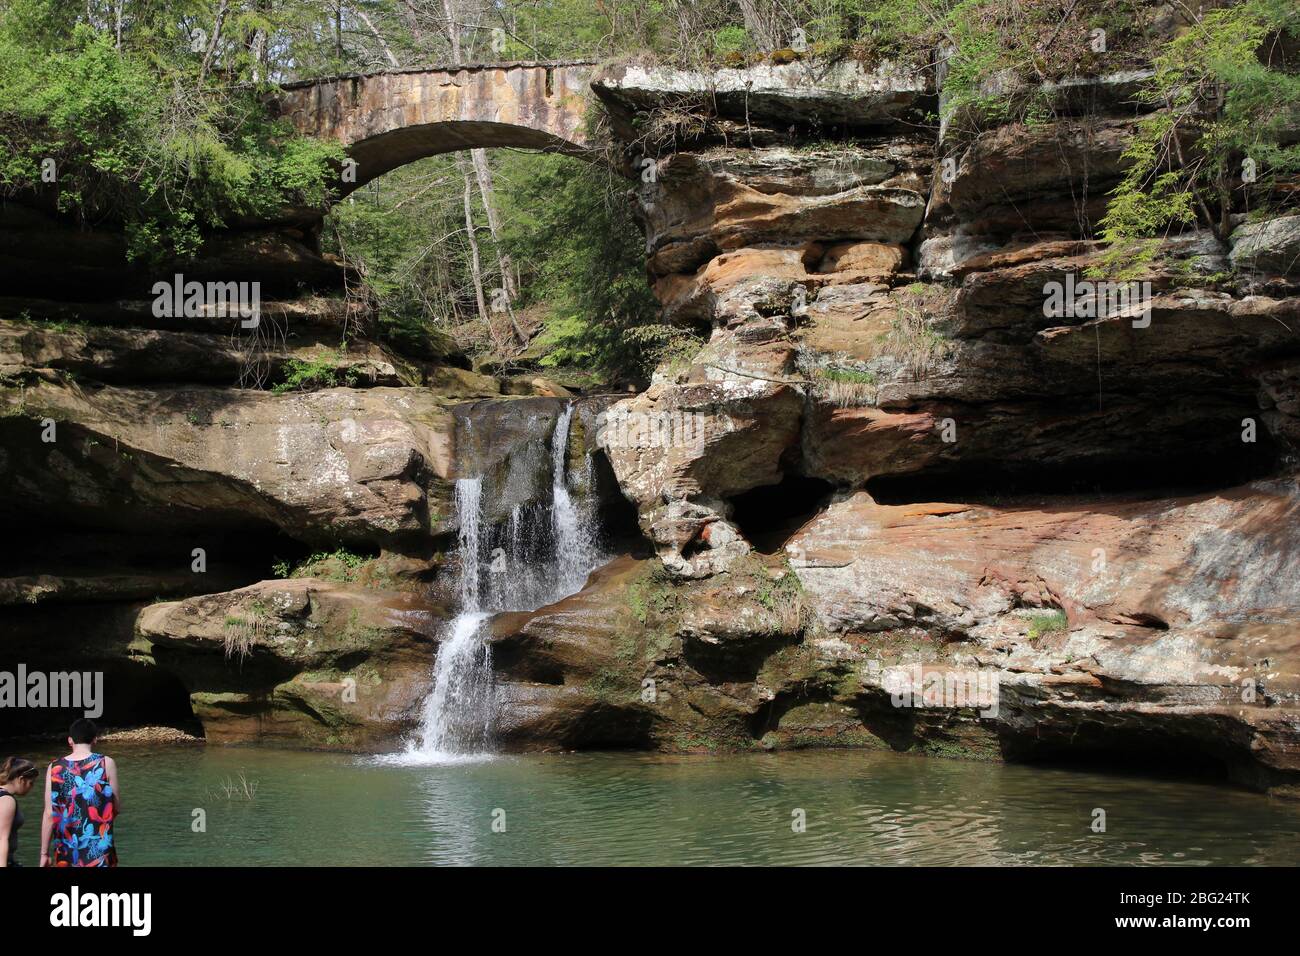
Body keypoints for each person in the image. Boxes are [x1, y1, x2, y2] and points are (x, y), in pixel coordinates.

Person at [40, 719, 119, 868]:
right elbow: (116, 807)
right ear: (95, 739)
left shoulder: (55, 767)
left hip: (67, 850)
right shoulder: (106, 763)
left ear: (70, 740)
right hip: (101, 850)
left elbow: (50, 814)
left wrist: (44, 853)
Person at [0, 757, 38, 867]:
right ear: (21, 779)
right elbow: (2, 839)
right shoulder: (7, 800)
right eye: (31, 783)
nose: (31, 787)